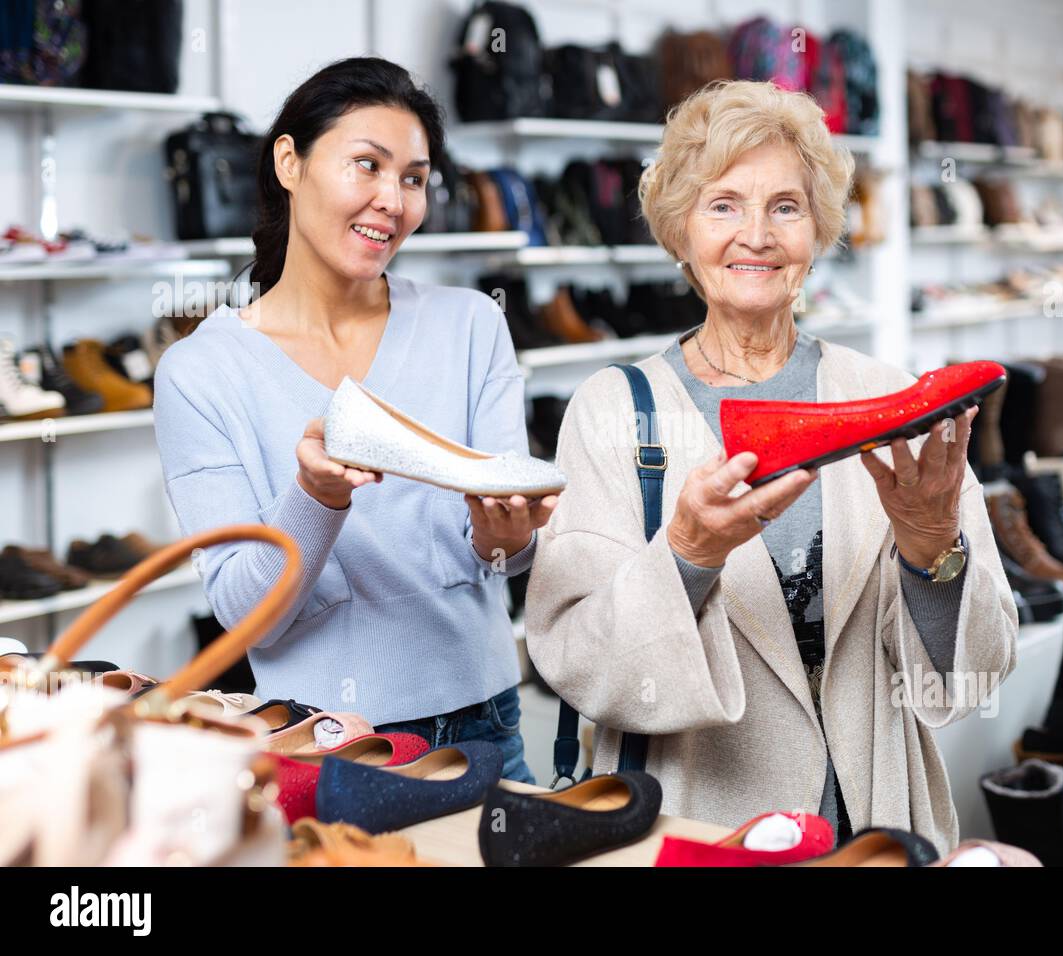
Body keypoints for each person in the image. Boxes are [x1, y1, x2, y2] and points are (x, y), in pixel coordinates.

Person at [524, 80, 1017, 851]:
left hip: (878, 820)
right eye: (723, 205)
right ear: (679, 233)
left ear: (817, 230)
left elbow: (980, 672)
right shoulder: (615, 409)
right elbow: (578, 661)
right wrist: (686, 557)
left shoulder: (887, 397)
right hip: (703, 821)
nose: (756, 233)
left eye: (785, 207)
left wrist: (930, 549)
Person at [153, 57, 553, 782]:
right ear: (289, 161)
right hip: (327, 743)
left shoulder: (470, 325)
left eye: (412, 178)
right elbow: (247, 619)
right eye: (365, 165)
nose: (392, 202)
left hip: (487, 724)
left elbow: (503, 560)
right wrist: (317, 499)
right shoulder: (200, 372)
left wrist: (508, 535)